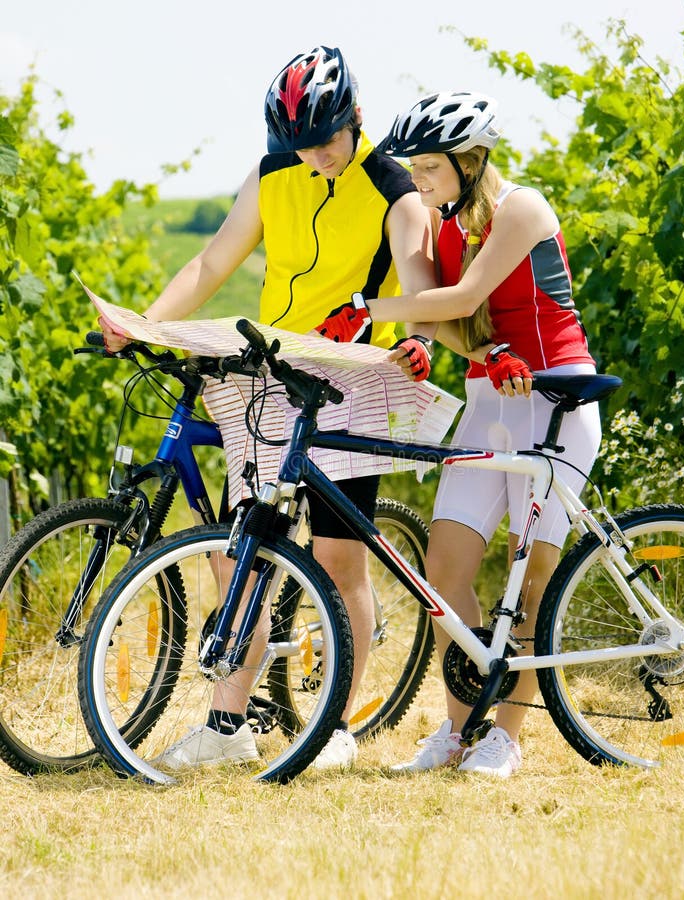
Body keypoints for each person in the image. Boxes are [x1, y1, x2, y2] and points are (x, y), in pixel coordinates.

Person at [100, 46, 436, 771]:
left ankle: (335, 728)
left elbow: (419, 284)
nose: (314, 155)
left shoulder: (394, 188)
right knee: (238, 554)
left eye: (325, 139)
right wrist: (145, 322)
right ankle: (229, 728)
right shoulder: (272, 173)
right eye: (299, 143)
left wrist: (417, 339)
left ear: (354, 116)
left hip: (351, 381)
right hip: (270, 376)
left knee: (338, 561)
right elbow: (210, 263)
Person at [317, 91, 602, 777]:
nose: (417, 180)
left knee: (531, 582)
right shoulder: (438, 222)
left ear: (469, 163)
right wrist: (464, 349)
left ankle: (506, 737)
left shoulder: (522, 208)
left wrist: (365, 308)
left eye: (429, 168)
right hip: (489, 399)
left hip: (556, 399)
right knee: (444, 573)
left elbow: (465, 298)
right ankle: (458, 726)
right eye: (413, 168)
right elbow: (442, 319)